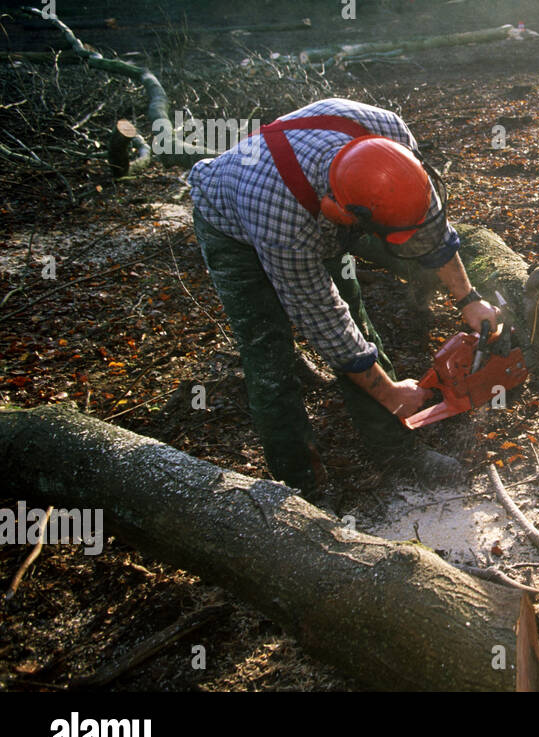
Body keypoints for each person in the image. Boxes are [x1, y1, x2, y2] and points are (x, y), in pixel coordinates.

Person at [187, 97, 501, 498]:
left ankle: (396, 450)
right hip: (234, 226)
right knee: (269, 358)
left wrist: (469, 298)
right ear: (339, 214)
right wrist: (390, 392)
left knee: (359, 319)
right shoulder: (283, 221)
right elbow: (324, 319)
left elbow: (429, 223)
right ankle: (299, 487)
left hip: (306, 204)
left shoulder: (387, 133)